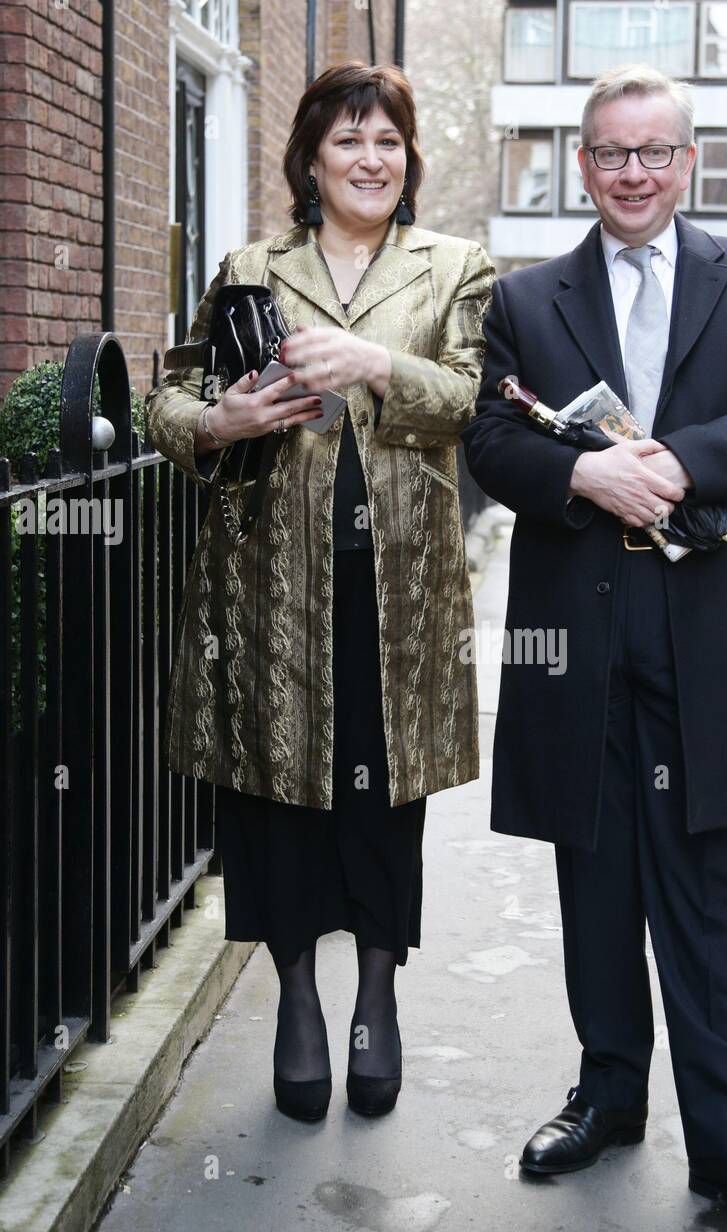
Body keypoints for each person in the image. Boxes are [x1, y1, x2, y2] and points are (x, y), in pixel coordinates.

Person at [463, 65, 727, 1232]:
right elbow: (484, 436)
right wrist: (579, 470)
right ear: (581, 164)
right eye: (609, 154)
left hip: (709, 641)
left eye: (653, 153)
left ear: (687, 161)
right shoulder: (526, 298)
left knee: (704, 893)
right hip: (578, 635)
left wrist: (671, 460)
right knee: (593, 880)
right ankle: (607, 1096)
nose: (632, 173)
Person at [146, 62, 494, 1124]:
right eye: (347, 141)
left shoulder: (455, 268)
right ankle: (298, 997)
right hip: (270, 586)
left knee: (383, 800)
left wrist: (373, 362)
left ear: (408, 160)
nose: (369, 159)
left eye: (387, 141)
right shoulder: (251, 264)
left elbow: (473, 405)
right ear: (308, 158)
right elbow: (172, 391)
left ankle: (374, 1001)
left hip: (399, 588)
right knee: (276, 799)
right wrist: (217, 423)